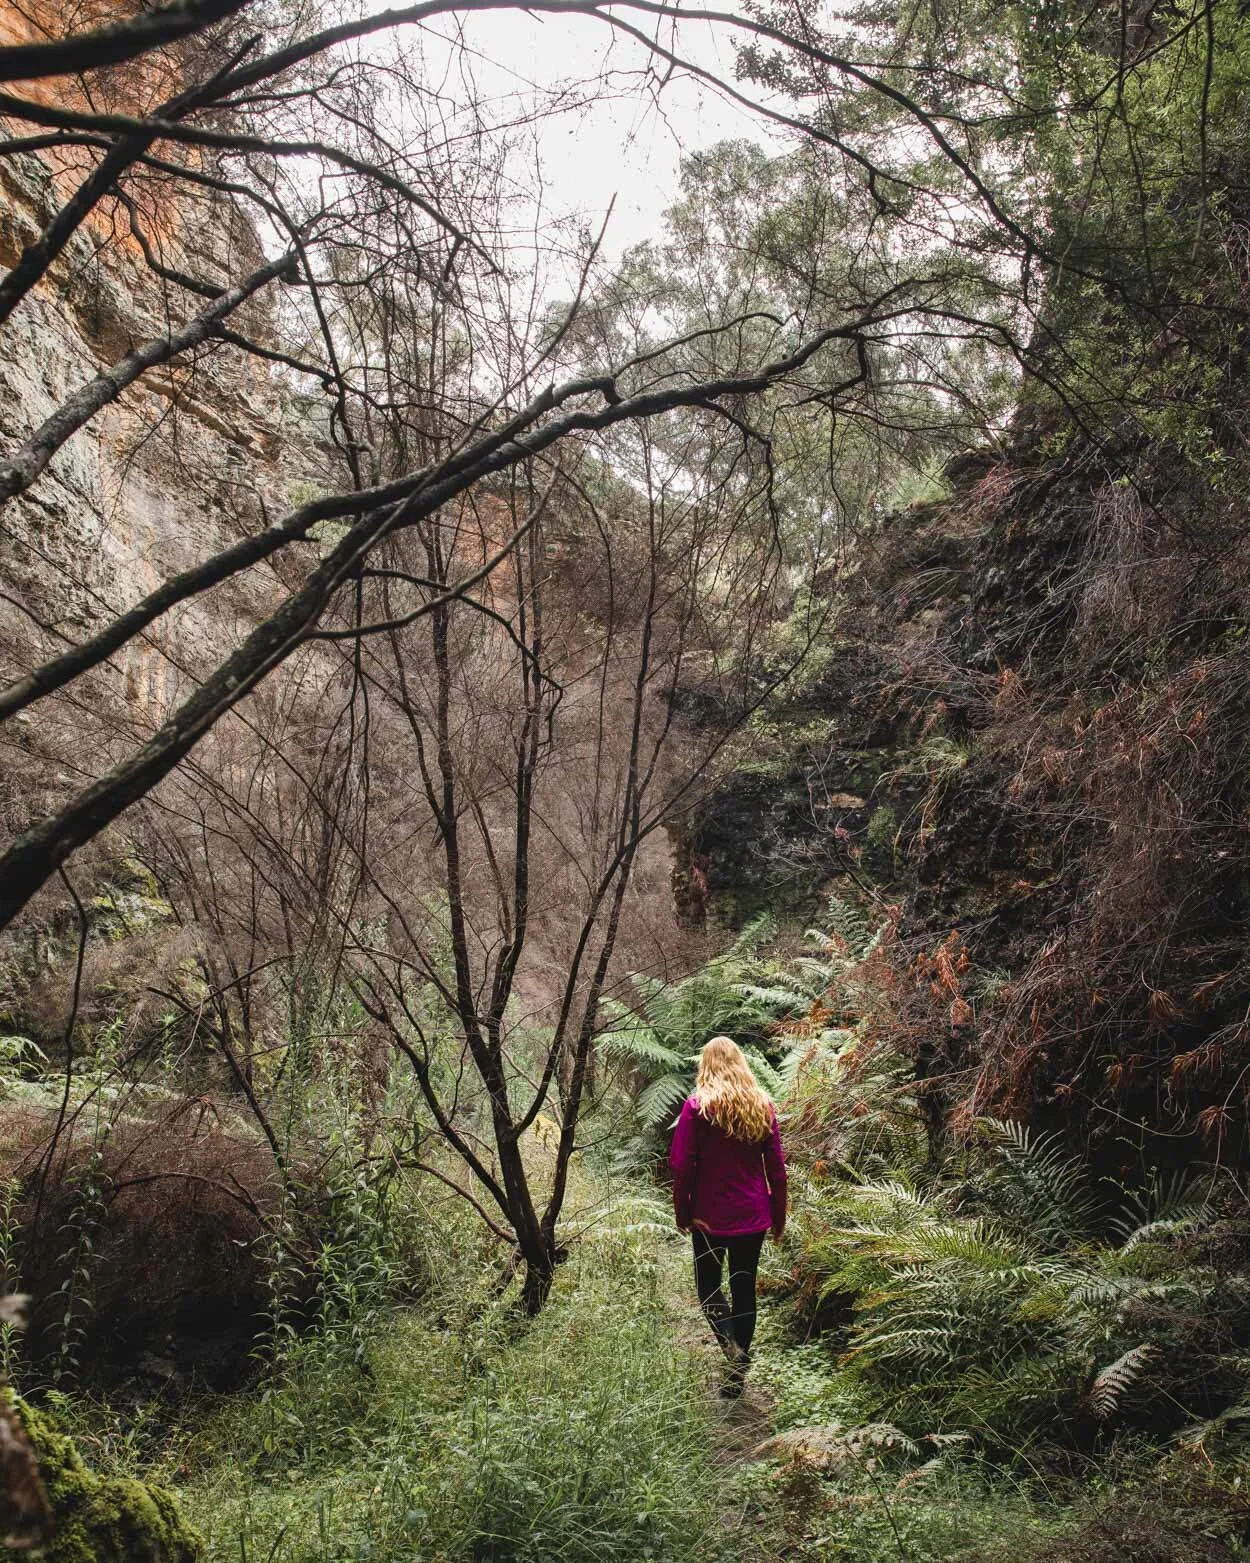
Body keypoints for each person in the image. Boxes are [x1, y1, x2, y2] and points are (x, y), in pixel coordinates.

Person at [669, 1035, 787, 1399]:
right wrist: (778, 1217)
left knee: (708, 1288)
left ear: (706, 1065)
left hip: (709, 1218)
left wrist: (683, 1212)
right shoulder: (761, 1106)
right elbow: (777, 1169)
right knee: (743, 1289)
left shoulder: (697, 1107)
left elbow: (681, 1165)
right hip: (753, 1216)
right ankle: (736, 1377)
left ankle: (730, 1347)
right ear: (741, 1064)